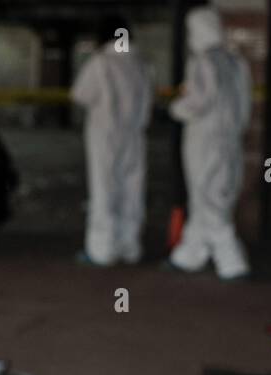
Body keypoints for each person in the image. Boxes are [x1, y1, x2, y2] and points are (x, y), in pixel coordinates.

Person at [168, 5, 253, 280]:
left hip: (205, 140)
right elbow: (244, 106)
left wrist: (176, 108)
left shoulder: (203, 62)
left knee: (208, 197)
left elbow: (199, 101)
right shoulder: (235, 62)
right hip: (229, 140)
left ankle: (232, 261)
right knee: (215, 196)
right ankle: (190, 254)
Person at [70, 17, 154, 266]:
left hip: (106, 135)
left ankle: (101, 250)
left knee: (104, 190)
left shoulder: (102, 63)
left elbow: (80, 95)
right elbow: (148, 101)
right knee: (132, 189)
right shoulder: (140, 63)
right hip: (135, 136)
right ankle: (129, 246)